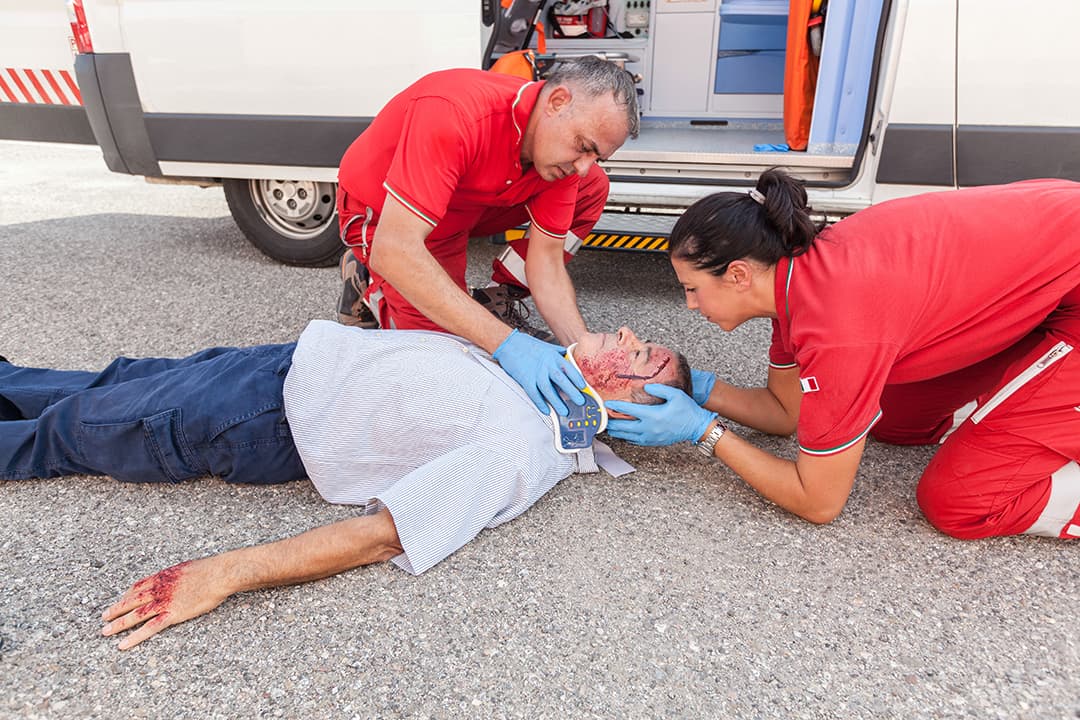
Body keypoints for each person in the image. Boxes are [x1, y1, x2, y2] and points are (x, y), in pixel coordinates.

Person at [0, 321, 688, 649]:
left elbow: (385, 533)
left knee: (68, 433)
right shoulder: (547, 379)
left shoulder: (522, 450)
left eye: (640, 355)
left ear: (625, 411)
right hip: (283, 362)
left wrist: (224, 573)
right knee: (111, 382)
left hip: (258, 416)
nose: (626, 334)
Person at [604, 169, 1080, 541]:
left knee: (958, 502)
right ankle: (1029, 410)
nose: (689, 305)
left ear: (738, 275)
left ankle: (1043, 419)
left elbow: (819, 501)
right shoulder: (794, 278)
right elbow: (787, 413)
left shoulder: (838, 328)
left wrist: (704, 432)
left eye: (692, 288)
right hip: (1055, 279)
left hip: (1070, 285)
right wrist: (698, 390)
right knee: (893, 419)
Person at [335, 57, 639, 418]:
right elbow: (396, 249)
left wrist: (583, 356)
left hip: (465, 203)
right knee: (437, 362)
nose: (584, 165)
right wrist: (506, 343)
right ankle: (368, 279)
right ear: (557, 102)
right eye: (584, 146)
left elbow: (546, 262)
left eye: (597, 156)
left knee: (592, 188)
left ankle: (496, 299)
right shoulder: (453, 113)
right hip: (390, 217)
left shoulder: (560, 152)